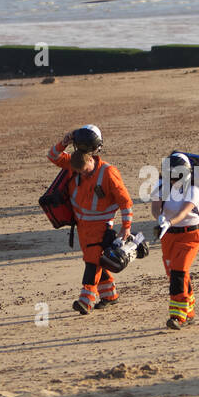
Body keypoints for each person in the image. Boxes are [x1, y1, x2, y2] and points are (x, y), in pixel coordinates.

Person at [46, 125, 134, 314]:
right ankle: (110, 295)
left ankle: (85, 300)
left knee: (92, 262)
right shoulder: (74, 164)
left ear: (91, 160)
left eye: (85, 171)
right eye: (80, 173)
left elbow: (125, 201)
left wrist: (126, 227)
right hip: (82, 226)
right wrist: (65, 141)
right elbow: (52, 156)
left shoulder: (108, 172)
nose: (83, 175)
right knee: (96, 259)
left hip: (101, 226)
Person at [150, 153, 199, 329]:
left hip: (190, 235)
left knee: (179, 271)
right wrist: (160, 218)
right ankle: (189, 309)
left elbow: (183, 212)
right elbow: (156, 207)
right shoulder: (161, 186)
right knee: (173, 273)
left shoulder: (194, 190)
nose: (174, 180)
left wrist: (169, 221)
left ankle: (177, 315)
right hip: (168, 236)